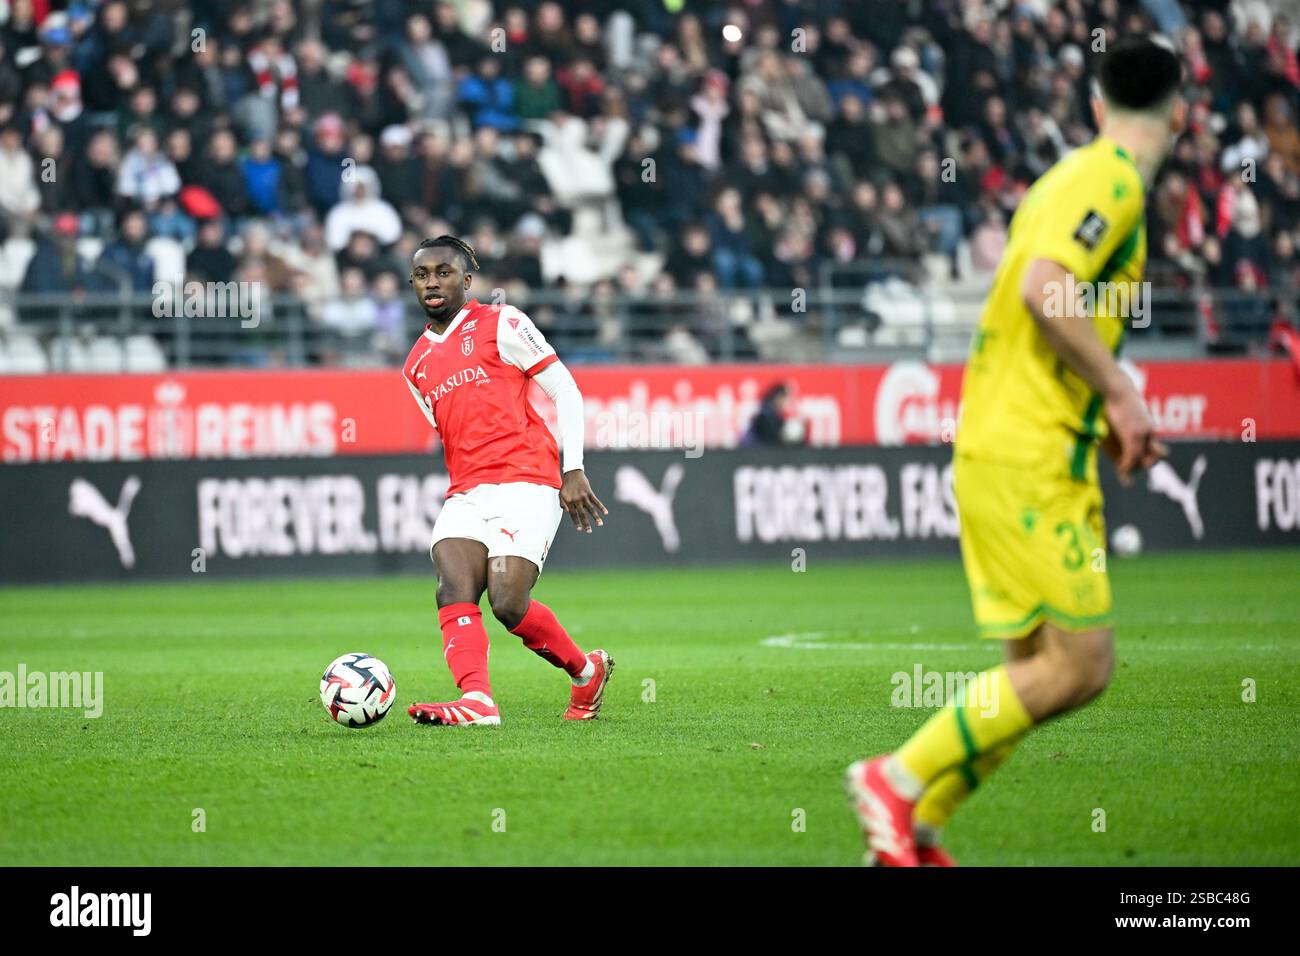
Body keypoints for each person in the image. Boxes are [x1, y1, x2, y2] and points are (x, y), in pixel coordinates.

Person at [846, 36, 1181, 866]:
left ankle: (918, 829)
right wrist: (1119, 390)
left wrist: (1099, 402)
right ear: (1181, 113)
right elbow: (1044, 290)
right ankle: (896, 777)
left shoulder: (1061, 180)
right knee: (1083, 664)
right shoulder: (1112, 180)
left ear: (1098, 104)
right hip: (1028, 451)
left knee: (1033, 668)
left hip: (1002, 440)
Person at [401, 235, 612, 726]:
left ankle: (586, 671)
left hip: (527, 481)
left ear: (467, 280)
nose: (432, 282)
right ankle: (478, 701)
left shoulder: (503, 322)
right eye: (422, 275)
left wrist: (573, 467)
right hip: (466, 493)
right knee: (452, 585)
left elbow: (565, 388)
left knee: (507, 602)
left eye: (443, 272)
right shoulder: (415, 365)